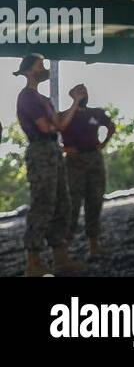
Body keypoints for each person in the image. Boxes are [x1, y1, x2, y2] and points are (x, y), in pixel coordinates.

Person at [13, 54, 84, 276]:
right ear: (28, 72)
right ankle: (32, 263)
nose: (44, 69)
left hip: (52, 150)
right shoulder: (27, 97)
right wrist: (55, 124)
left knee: (63, 202)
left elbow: (59, 124)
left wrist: (75, 102)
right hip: (40, 151)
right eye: (40, 66)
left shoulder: (43, 99)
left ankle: (60, 258)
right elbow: (46, 127)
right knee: (43, 203)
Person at [61, 82, 116, 258]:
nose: (82, 94)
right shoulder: (65, 115)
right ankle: (63, 250)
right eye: (78, 92)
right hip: (74, 161)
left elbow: (111, 126)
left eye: (84, 91)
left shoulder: (96, 113)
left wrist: (103, 144)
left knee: (95, 200)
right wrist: (63, 149)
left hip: (94, 158)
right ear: (71, 94)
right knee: (72, 204)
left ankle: (94, 245)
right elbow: (54, 129)